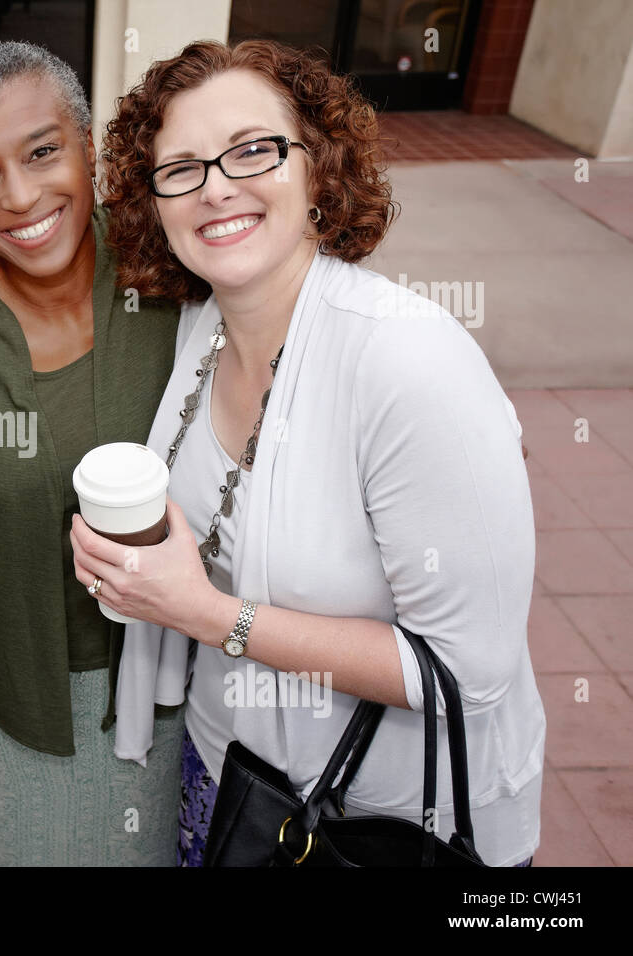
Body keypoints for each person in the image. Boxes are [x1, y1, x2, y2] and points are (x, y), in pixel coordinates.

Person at [76, 38, 544, 866]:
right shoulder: (199, 328)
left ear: (318, 168)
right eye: (181, 167)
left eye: (253, 149)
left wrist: (203, 613)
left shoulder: (407, 362)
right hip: (231, 783)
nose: (217, 185)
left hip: (380, 827)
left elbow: (468, 677)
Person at [0, 40, 184, 866]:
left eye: (43, 152)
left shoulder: (169, 277)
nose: (18, 198)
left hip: (175, 677)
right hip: (11, 700)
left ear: (90, 149)